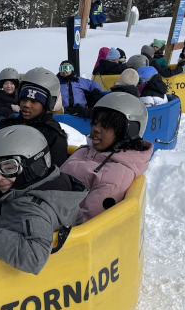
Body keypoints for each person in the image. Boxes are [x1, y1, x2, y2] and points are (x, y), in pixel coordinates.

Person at [0, 127, 87, 274]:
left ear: (35, 165)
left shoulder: (32, 209)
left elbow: (34, 257)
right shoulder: (57, 189)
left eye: (9, 168)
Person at [60, 93, 153, 222]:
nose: (96, 129)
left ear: (127, 132)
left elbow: (88, 220)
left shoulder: (116, 174)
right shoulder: (87, 150)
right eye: (95, 123)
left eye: (106, 126)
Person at [0, 67, 68, 167]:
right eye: (23, 99)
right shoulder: (7, 126)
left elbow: (56, 171)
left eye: (34, 101)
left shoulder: (54, 136)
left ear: (46, 104)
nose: (26, 105)